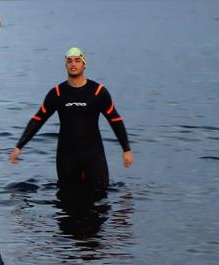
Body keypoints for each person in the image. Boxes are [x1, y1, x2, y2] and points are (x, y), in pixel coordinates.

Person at [9, 47, 132, 197]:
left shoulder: (98, 92)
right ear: (65, 65)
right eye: (69, 61)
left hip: (93, 156)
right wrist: (19, 146)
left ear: (84, 64)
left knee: (100, 198)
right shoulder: (57, 93)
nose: (73, 64)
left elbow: (115, 119)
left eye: (77, 60)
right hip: (66, 157)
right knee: (67, 200)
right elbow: (38, 119)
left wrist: (126, 149)